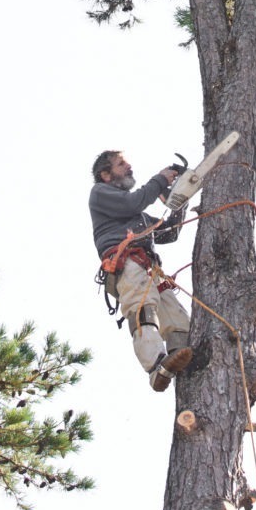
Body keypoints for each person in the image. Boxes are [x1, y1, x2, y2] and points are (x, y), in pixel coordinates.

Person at [89, 150, 192, 392]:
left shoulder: (137, 216)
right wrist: (161, 179)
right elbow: (133, 202)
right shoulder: (100, 193)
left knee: (175, 313)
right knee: (142, 308)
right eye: (121, 164)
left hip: (148, 268)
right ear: (106, 175)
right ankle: (156, 366)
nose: (128, 166)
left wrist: (181, 198)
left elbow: (169, 233)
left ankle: (181, 352)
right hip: (127, 262)